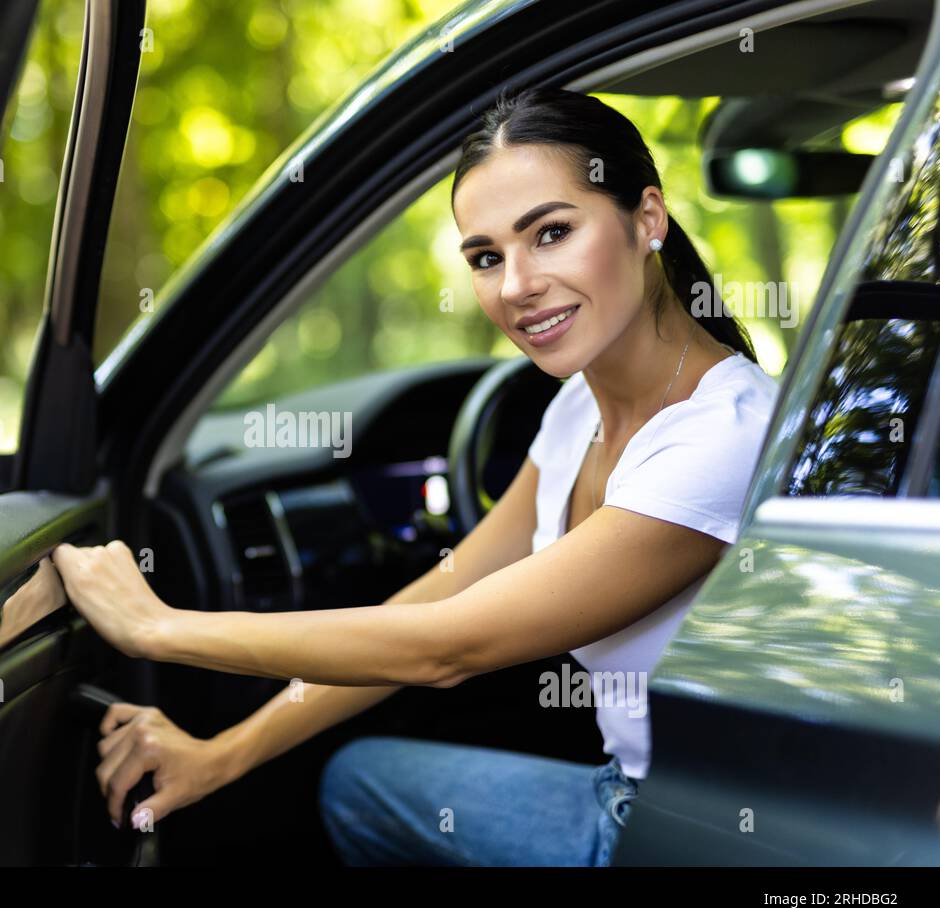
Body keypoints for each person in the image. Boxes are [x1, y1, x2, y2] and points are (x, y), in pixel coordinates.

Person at [49, 87, 780, 866]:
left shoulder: (723, 439)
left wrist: (159, 626)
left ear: (647, 219)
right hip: (631, 792)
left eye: (553, 233)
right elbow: (431, 601)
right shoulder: (576, 411)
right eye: (487, 257)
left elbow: (444, 647)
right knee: (355, 782)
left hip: (710, 839)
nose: (516, 286)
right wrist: (219, 754)